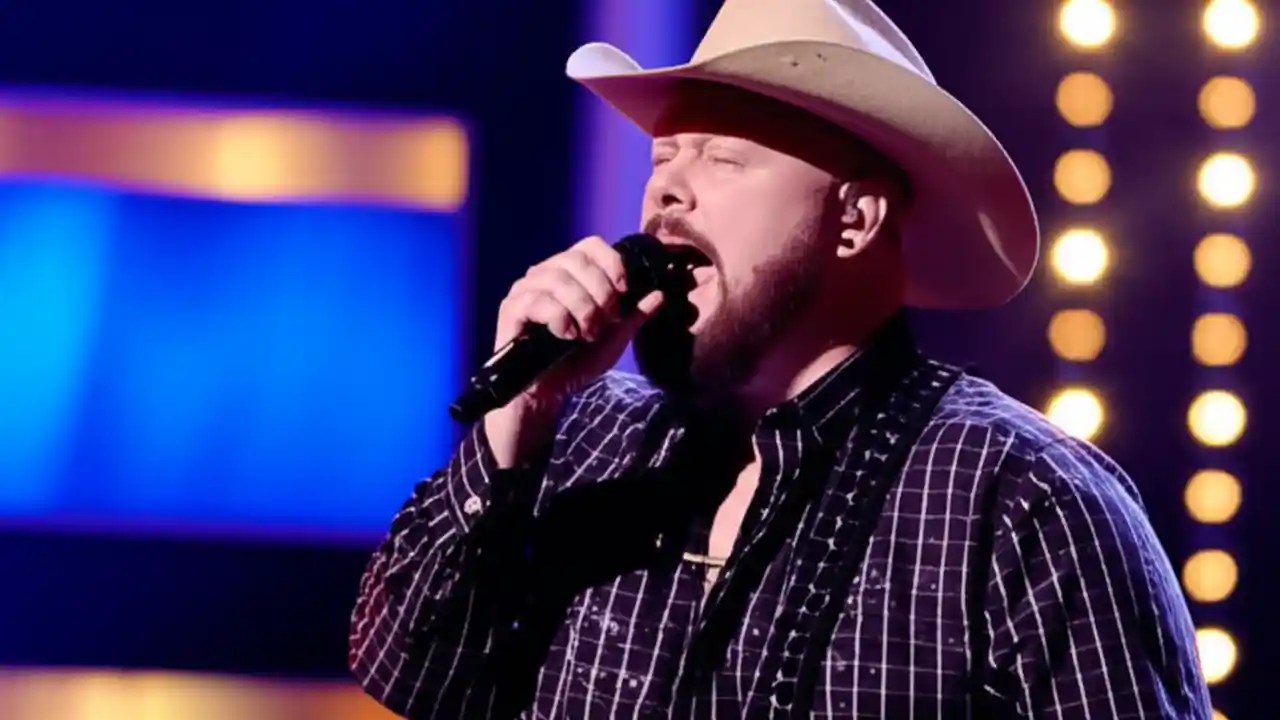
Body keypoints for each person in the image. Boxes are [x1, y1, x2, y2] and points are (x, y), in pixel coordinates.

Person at [349, 0, 1212, 717]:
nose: (667, 189)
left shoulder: (1021, 495)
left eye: (724, 158)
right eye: (664, 158)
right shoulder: (583, 439)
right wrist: (515, 425)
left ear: (855, 220)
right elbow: (408, 675)